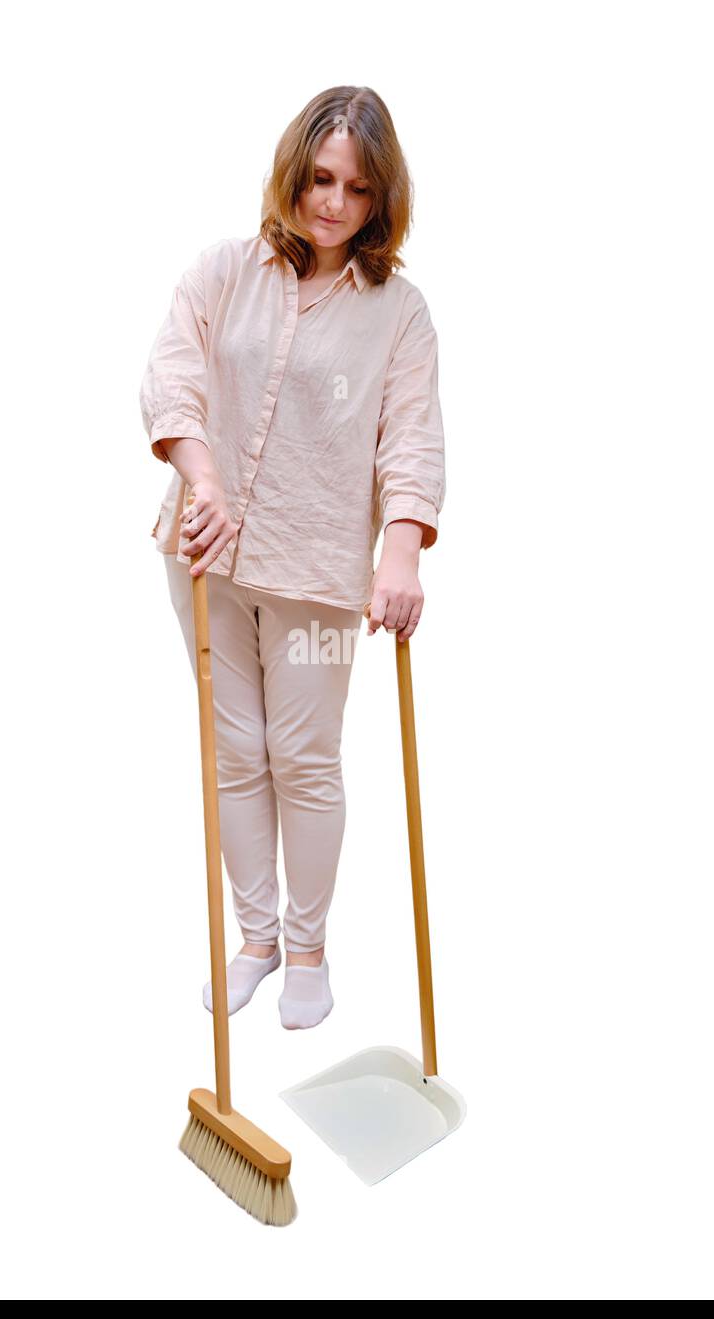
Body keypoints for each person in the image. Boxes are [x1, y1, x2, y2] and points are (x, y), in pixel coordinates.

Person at [139, 86, 445, 1029]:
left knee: (302, 759)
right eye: (318, 178)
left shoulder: (398, 312)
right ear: (292, 172)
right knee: (235, 754)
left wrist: (401, 554)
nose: (331, 203)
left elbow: (412, 441)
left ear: (379, 198)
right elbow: (171, 376)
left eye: (355, 188)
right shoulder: (222, 273)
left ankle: (309, 949)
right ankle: (257, 942)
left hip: (315, 575)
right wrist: (203, 478)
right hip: (208, 558)